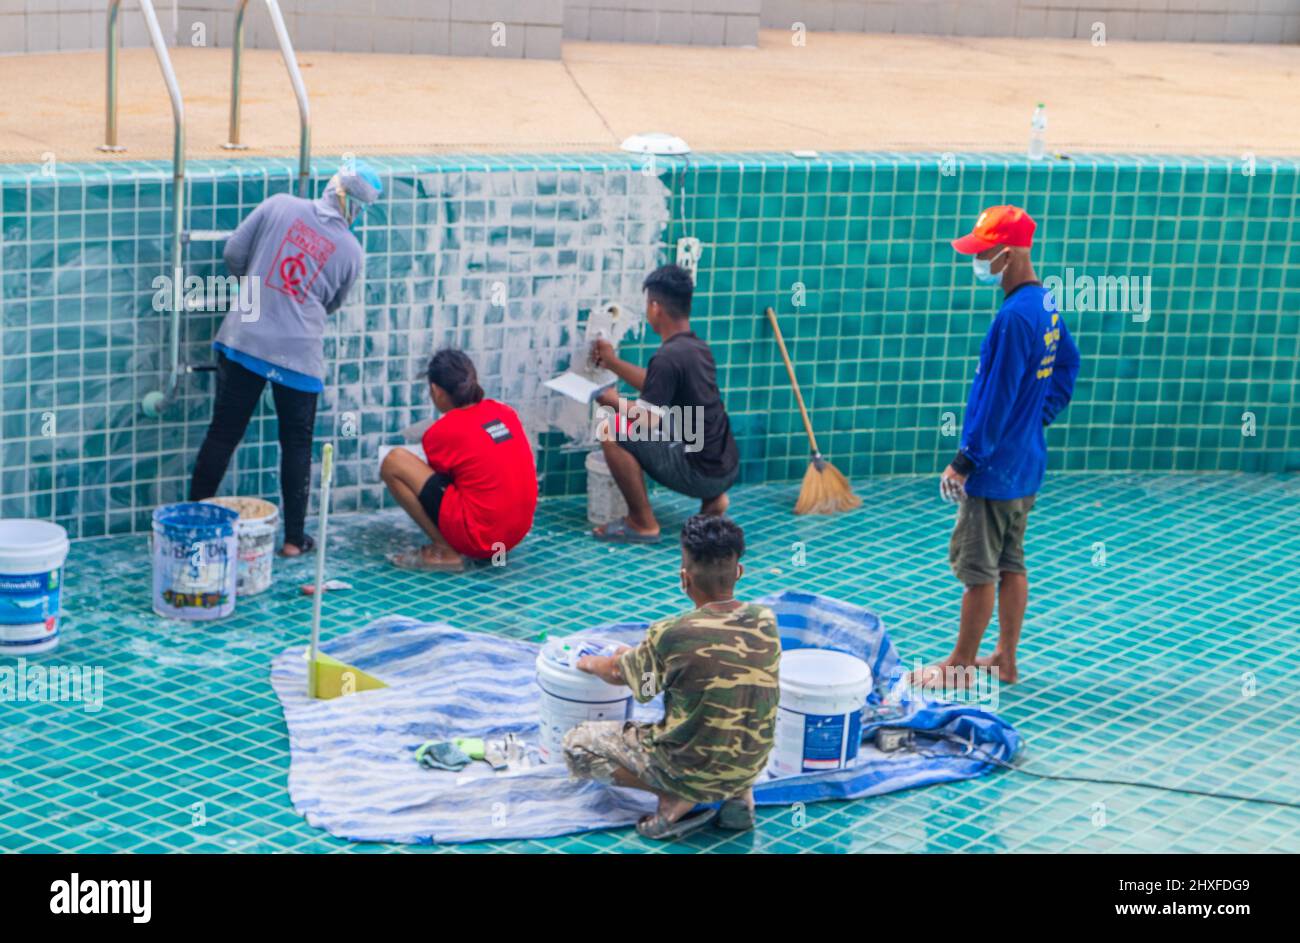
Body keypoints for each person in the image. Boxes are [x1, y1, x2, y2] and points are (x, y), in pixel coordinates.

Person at [919, 205, 1081, 687]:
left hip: (994, 470)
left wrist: (965, 461)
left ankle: (961, 666)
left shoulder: (1013, 318)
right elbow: (1068, 367)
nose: (978, 261)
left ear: (1006, 255)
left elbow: (996, 397)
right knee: (1011, 562)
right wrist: (1036, 419)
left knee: (978, 570)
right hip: (1026, 465)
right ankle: (1005, 660)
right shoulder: (1046, 304)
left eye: (983, 253)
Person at [189, 163, 383, 556]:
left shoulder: (279, 205)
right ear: (358, 208)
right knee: (296, 443)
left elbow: (233, 253)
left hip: (246, 336)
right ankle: (294, 539)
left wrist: (257, 286)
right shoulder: (351, 250)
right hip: (299, 354)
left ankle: (192, 519)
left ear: (333, 186)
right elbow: (332, 304)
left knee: (224, 432)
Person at [563, 514, 781, 840]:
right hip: (750, 763)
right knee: (734, 715)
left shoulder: (671, 633)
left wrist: (590, 662)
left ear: (684, 578)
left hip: (687, 768)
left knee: (576, 746)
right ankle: (739, 796)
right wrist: (640, 658)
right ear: (738, 572)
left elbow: (640, 687)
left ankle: (673, 796)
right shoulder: (766, 620)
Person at [589, 264, 739, 543]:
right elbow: (658, 384)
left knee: (610, 430)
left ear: (655, 307)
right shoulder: (696, 347)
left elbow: (647, 419)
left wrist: (611, 400)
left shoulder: (668, 357)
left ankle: (642, 523)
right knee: (688, 424)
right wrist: (612, 363)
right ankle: (714, 501)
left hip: (699, 473)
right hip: (726, 468)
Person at [380, 349, 537, 572]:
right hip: (514, 534)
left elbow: (434, 485)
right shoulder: (503, 411)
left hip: (482, 539)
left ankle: (445, 550)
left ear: (436, 391)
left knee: (393, 462)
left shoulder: (442, 430)